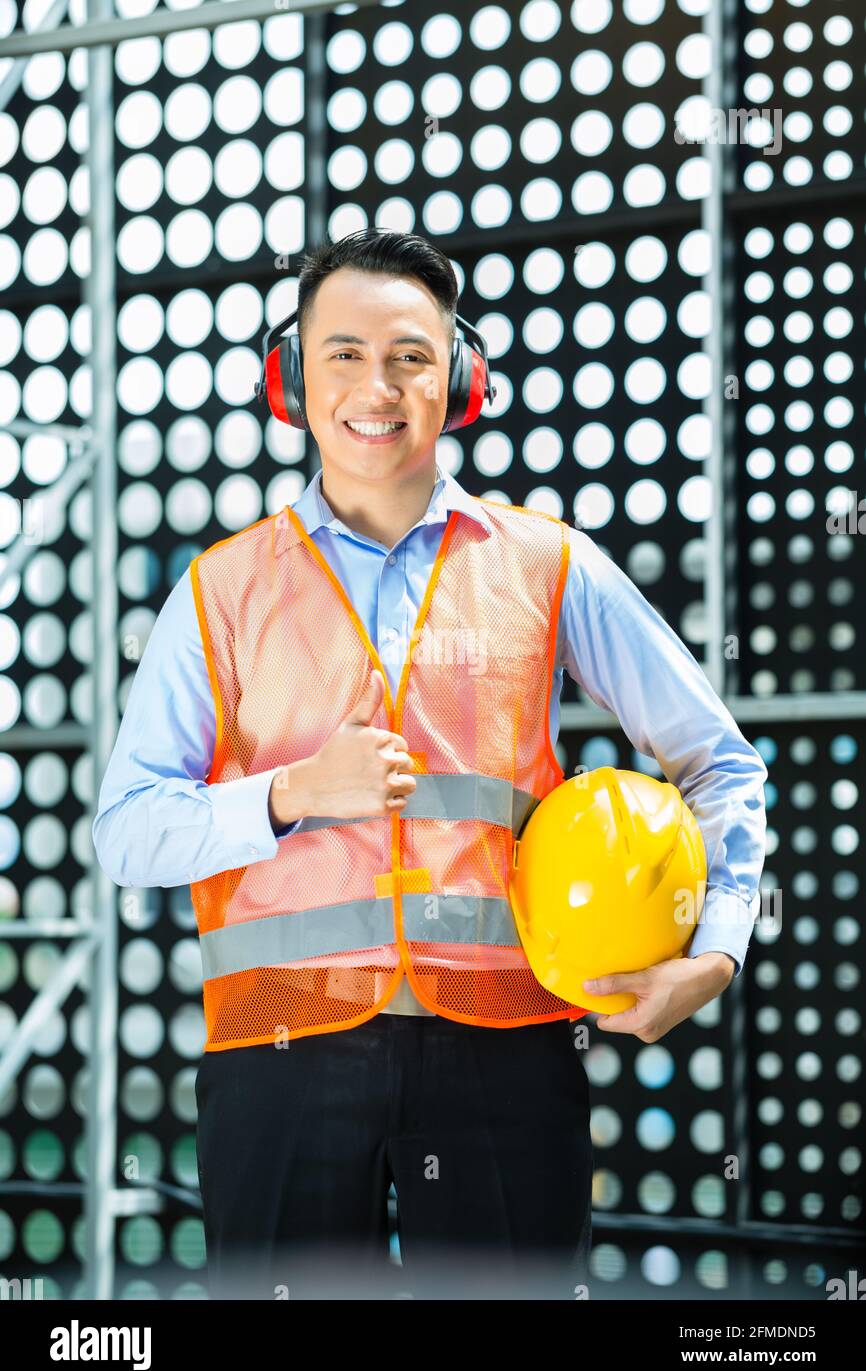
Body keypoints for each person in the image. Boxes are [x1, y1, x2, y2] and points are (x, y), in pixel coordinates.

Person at [92, 228, 767, 1300]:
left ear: (456, 377)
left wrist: (716, 948)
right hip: (276, 1049)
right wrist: (286, 796)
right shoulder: (220, 589)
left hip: (504, 1054)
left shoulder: (548, 563)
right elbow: (125, 830)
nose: (376, 385)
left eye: (410, 354)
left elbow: (720, 763)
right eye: (343, 354)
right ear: (292, 379)